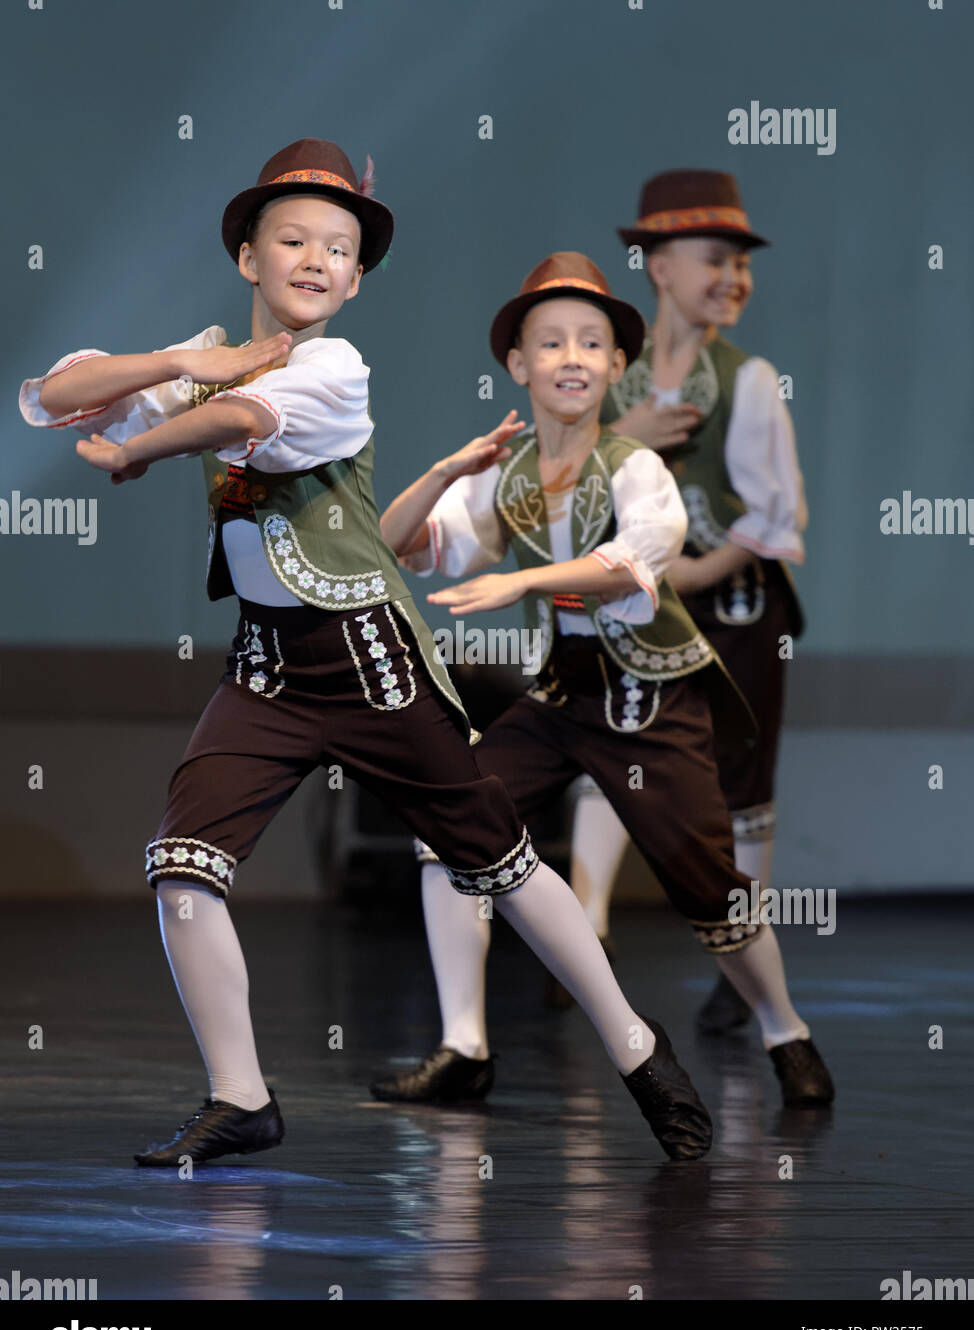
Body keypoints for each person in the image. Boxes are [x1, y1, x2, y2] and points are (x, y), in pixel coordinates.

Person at [18, 140, 715, 1166]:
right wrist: (175, 364)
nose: (315, 259)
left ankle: (635, 1043)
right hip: (264, 666)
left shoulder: (333, 367)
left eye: (337, 248)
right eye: (292, 238)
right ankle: (241, 1097)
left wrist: (140, 441)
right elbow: (52, 391)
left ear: (354, 276)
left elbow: (248, 416)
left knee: (499, 863)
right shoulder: (212, 351)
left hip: (367, 660)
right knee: (180, 868)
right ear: (248, 256)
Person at [370, 251, 833, 1111]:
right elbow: (401, 543)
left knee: (711, 893)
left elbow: (632, 564)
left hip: (651, 697)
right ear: (518, 365)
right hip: (564, 695)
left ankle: (784, 1029)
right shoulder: (504, 475)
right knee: (448, 823)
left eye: (591, 343)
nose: (572, 358)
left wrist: (518, 582)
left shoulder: (634, 466)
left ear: (617, 366)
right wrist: (441, 473)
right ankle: (463, 1043)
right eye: (551, 344)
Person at [569, 169, 809, 1034]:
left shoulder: (747, 381)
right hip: (646, 601)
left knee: (739, 782)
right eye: (714, 259)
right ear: (657, 265)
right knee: (611, 743)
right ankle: (586, 929)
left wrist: (677, 580)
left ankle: (740, 960)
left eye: (741, 264)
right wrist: (619, 441)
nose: (733, 278)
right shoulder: (611, 383)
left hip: (734, 605)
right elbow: (557, 479)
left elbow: (774, 523)